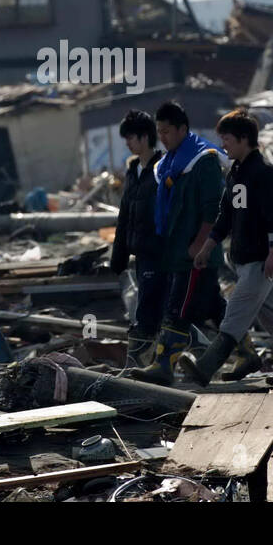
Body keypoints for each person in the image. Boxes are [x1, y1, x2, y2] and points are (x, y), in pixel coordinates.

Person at [179, 108, 273, 387]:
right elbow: (225, 217)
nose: (223, 144)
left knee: (235, 314)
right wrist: (207, 247)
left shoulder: (264, 173)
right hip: (243, 258)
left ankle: (205, 368)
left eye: (226, 139)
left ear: (242, 139)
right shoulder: (236, 174)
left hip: (261, 259)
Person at [128, 101, 228, 386]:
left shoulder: (202, 160)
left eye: (168, 132)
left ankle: (163, 365)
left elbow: (214, 208)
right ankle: (246, 352)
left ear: (183, 129)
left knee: (177, 309)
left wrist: (200, 244)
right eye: (159, 132)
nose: (163, 137)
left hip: (197, 252)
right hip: (177, 252)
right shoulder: (169, 164)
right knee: (212, 307)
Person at [109, 110, 165, 370]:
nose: (127, 143)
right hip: (141, 254)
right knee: (156, 312)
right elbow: (125, 216)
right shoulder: (133, 172)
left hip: (159, 253)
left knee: (148, 312)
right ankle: (154, 365)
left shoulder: (163, 170)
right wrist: (118, 256)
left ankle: (138, 366)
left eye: (131, 137)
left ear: (145, 137)